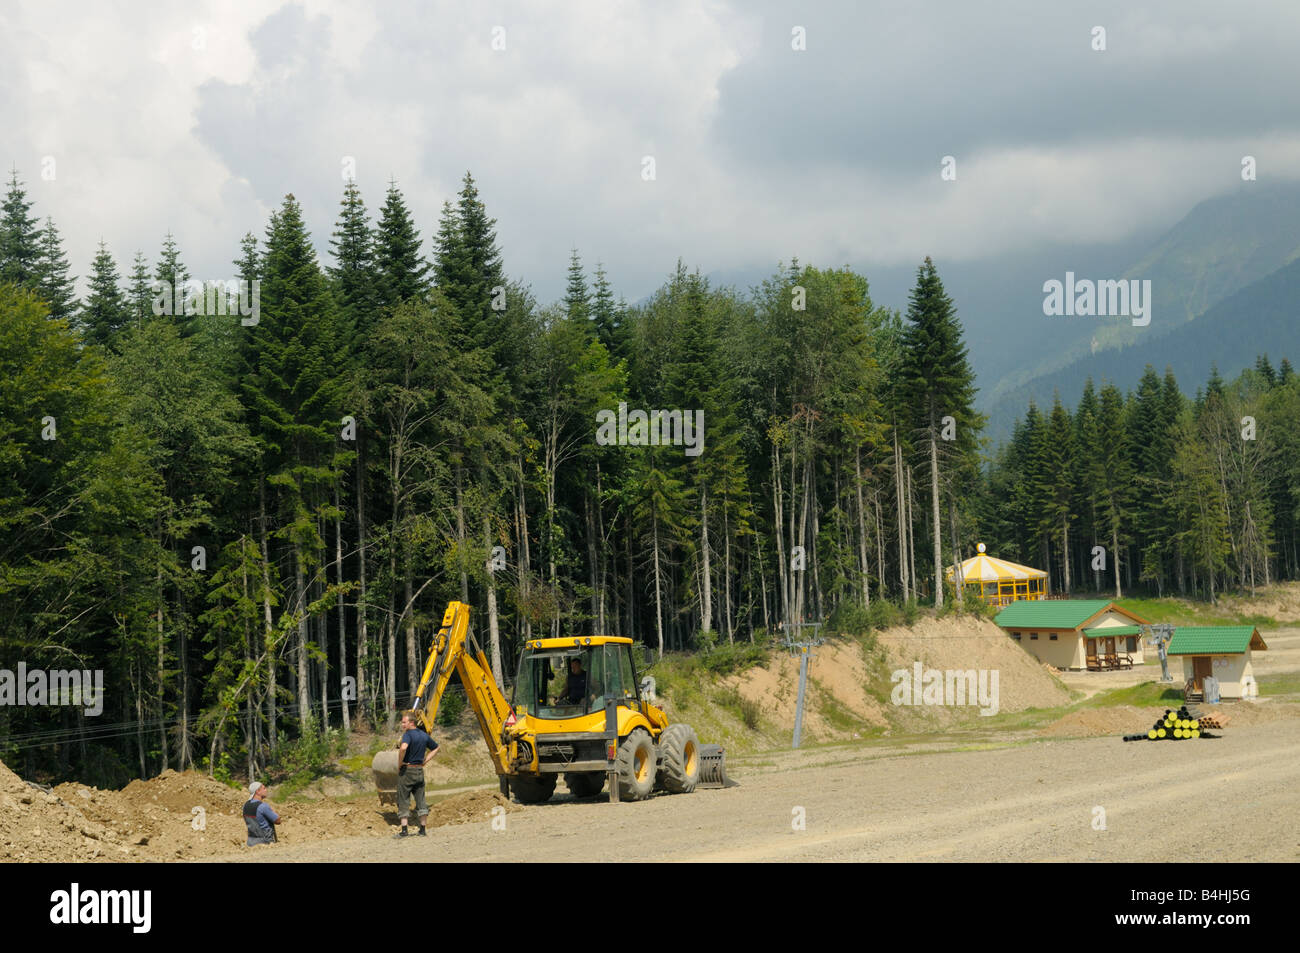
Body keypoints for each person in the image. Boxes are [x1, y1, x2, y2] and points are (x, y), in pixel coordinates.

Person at [394, 710, 438, 838]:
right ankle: (422, 830)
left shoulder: (408, 735)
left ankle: (404, 831)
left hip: (407, 771)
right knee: (421, 800)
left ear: (411, 723)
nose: (402, 725)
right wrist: (425, 761)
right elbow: (436, 748)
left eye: (404, 722)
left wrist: (400, 763)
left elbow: (403, 748)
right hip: (419, 771)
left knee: (403, 799)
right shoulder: (424, 735)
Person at [243, 781, 282, 846]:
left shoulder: (245, 805)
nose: (266, 790)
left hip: (251, 842)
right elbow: (278, 821)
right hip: (265, 842)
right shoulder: (263, 806)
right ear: (257, 791)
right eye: (264, 788)